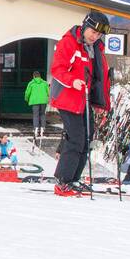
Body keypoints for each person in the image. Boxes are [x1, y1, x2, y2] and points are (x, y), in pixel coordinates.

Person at [49, 10, 112, 197]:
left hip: (84, 99)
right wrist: (72, 81)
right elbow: (57, 69)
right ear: (85, 26)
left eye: (99, 34)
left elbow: (98, 76)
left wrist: (104, 99)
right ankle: (63, 181)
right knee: (75, 139)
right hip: (68, 98)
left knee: (86, 140)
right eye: (93, 32)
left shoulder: (95, 49)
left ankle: (74, 179)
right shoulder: (69, 42)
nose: (95, 36)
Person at [24, 70, 49, 139]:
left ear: (33, 76)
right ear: (40, 76)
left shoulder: (31, 83)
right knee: (43, 114)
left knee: (36, 115)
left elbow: (27, 93)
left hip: (34, 102)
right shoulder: (45, 83)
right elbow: (48, 92)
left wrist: (26, 99)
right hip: (43, 101)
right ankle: (42, 129)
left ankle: (36, 129)